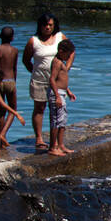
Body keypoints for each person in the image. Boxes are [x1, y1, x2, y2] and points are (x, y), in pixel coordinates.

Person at [23, 13, 73, 152]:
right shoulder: (34, 41)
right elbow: (26, 60)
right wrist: (34, 72)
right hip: (39, 79)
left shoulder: (59, 37)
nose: (48, 27)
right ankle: (39, 138)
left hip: (57, 81)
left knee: (56, 111)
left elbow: (72, 50)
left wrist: (65, 69)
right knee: (39, 108)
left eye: (50, 25)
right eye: (45, 25)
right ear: (40, 25)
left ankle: (56, 142)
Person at [0, 27, 20, 146]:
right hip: (11, 81)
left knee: (0, 111)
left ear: (0, 36)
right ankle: (3, 134)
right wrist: (14, 83)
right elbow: (15, 68)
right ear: (12, 38)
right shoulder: (15, 50)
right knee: (12, 109)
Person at [46, 39, 77, 156]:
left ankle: (61, 145)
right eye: (67, 54)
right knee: (55, 121)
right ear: (61, 51)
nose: (68, 57)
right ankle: (52, 147)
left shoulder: (61, 62)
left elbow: (61, 79)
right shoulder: (57, 62)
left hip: (62, 92)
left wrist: (68, 91)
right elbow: (52, 80)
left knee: (62, 120)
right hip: (56, 94)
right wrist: (57, 96)